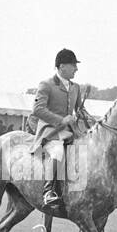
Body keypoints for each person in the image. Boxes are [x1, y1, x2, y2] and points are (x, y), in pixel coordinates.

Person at [31, 48, 95, 208]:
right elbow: (37, 109)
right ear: (61, 66)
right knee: (58, 151)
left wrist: (90, 119)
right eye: (73, 65)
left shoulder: (75, 88)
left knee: (87, 152)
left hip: (69, 132)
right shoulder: (46, 85)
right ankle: (48, 192)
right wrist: (62, 120)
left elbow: (79, 109)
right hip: (50, 132)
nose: (76, 69)